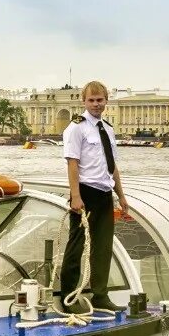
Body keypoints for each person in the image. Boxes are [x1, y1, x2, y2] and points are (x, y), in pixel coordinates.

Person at [59, 80, 129, 312]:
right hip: (85, 193)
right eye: (91, 100)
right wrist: (75, 196)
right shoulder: (76, 127)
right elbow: (72, 164)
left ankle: (100, 295)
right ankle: (68, 297)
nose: (96, 104)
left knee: (103, 247)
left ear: (106, 101)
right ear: (84, 101)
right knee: (76, 246)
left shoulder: (107, 129)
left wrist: (121, 196)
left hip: (104, 193)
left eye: (100, 100)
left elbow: (113, 166)